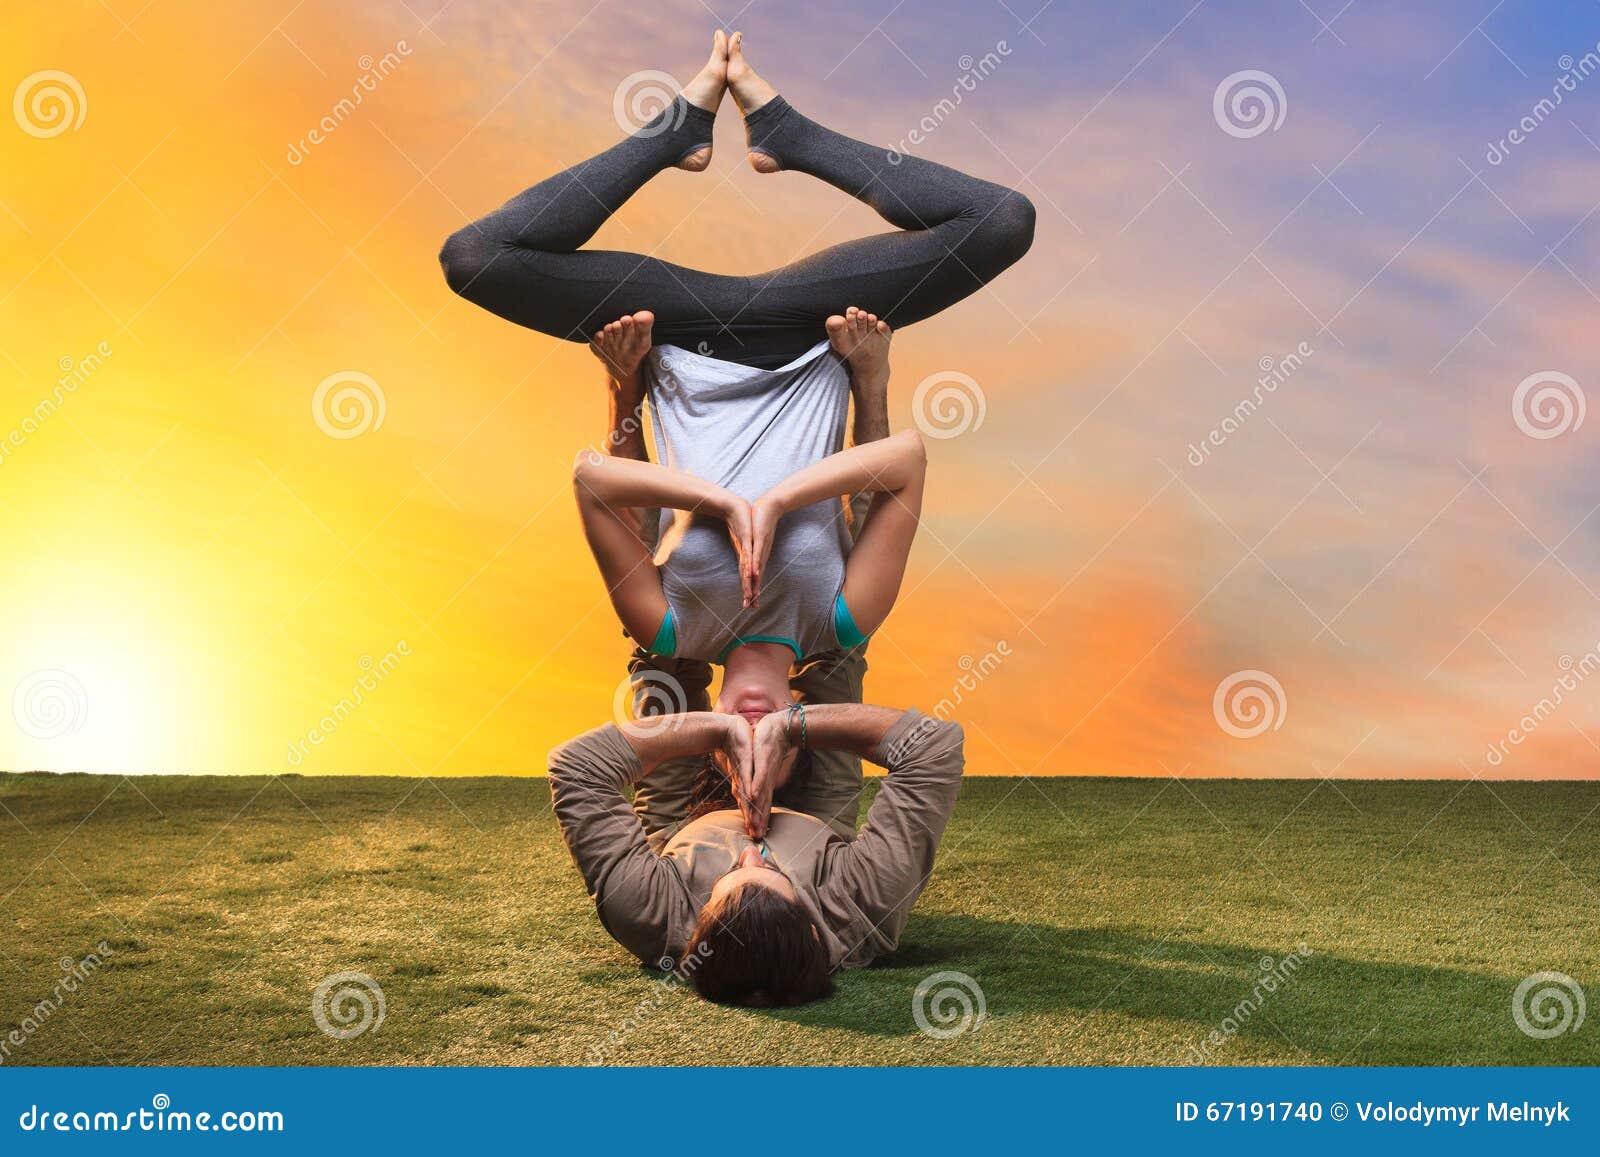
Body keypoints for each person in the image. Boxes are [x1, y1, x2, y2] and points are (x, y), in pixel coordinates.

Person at [548, 701, 964, 1007]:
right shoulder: (862, 908)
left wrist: (720, 729)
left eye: (728, 877)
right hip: (814, 815)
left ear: (695, 936)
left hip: (683, 818)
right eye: (770, 869)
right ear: (813, 931)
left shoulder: (648, 914)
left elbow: (575, 766)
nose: (751, 852)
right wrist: (789, 726)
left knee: (666, 670)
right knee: (832, 663)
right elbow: (933, 746)